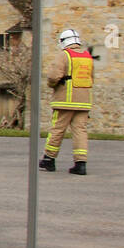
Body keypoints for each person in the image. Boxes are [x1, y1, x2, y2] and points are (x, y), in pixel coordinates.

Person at [39, 28, 93, 175]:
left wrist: (52, 86)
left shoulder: (64, 56)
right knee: (80, 131)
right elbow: (91, 77)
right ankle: (80, 163)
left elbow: (53, 76)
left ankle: (49, 159)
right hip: (84, 101)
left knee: (57, 129)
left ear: (63, 42)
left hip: (65, 100)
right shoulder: (88, 56)